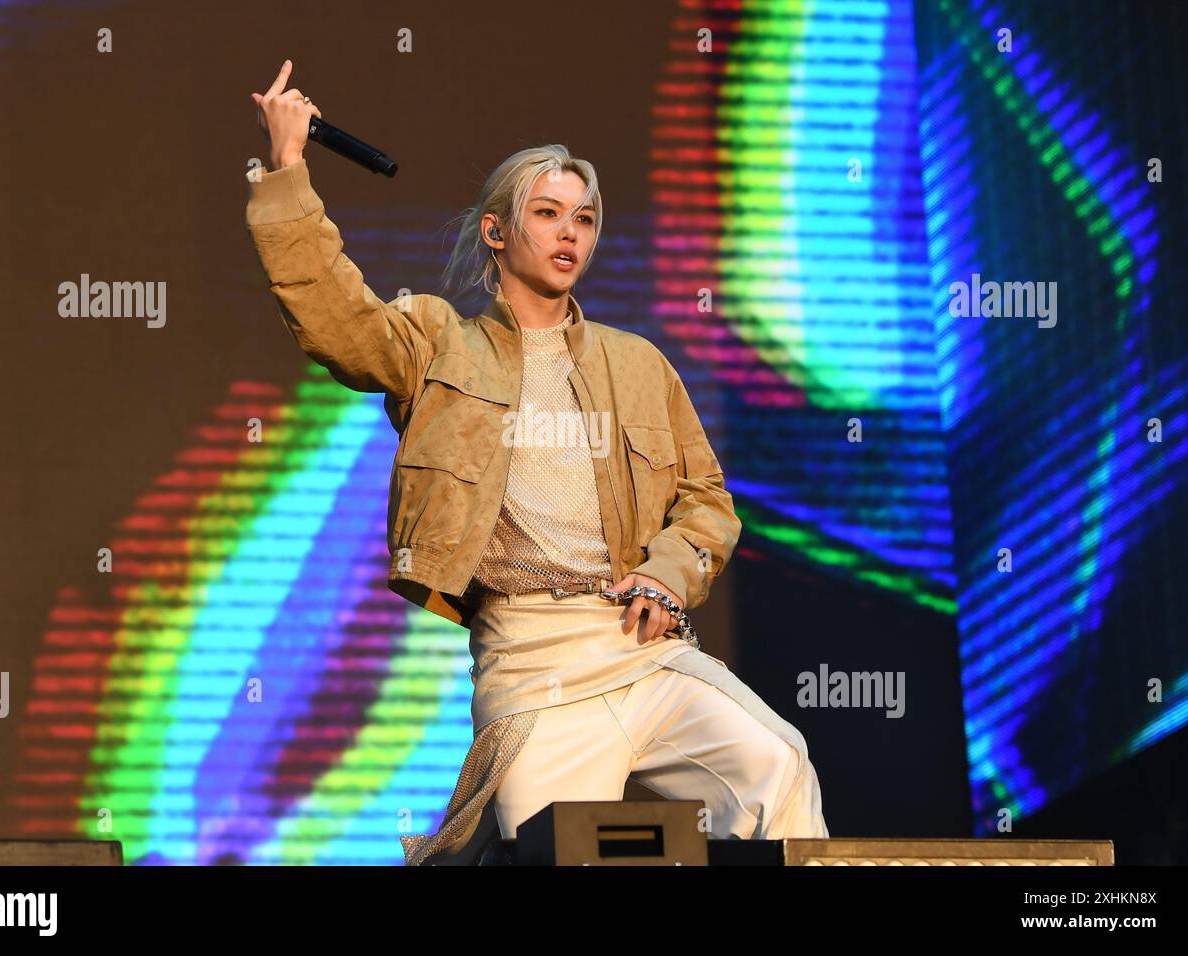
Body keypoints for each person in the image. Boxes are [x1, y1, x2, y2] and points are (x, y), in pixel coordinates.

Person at [246, 59, 828, 865]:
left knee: (778, 766)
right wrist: (288, 168)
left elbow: (706, 502)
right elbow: (335, 318)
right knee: (552, 850)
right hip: (532, 662)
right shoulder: (438, 341)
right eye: (547, 213)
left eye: (583, 219)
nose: (569, 234)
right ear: (496, 231)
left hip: (641, 649)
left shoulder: (638, 364)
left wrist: (667, 574)